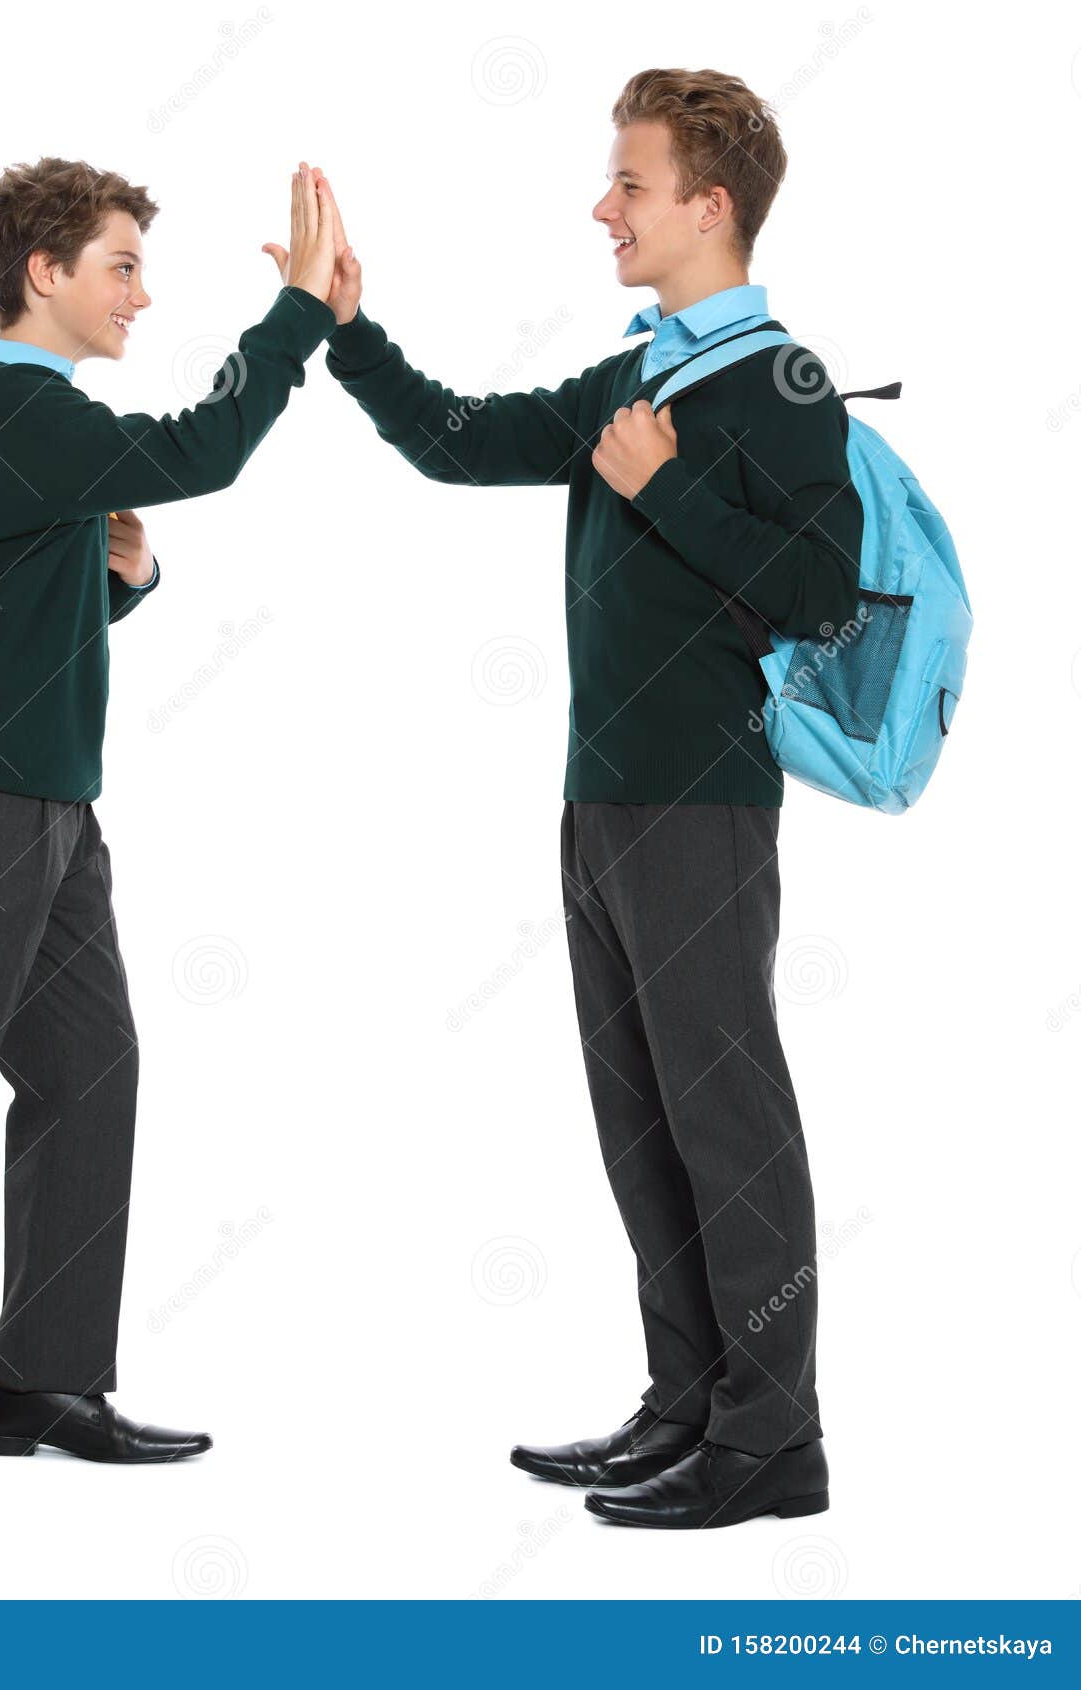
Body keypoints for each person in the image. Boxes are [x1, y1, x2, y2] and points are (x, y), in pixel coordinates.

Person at [306, 69, 861, 1528]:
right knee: (641, 1118)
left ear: (708, 204)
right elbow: (455, 437)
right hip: (600, 804)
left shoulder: (778, 383)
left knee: (724, 1112)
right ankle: (688, 1400)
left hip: (702, 804)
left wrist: (668, 490)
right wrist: (349, 331)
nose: (600, 207)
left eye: (628, 182)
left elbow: (820, 593)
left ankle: (772, 1437)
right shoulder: (631, 378)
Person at [0, 157, 342, 1491]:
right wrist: (296, 320)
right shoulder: (10, 410)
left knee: (88, 1072)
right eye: (120, 266)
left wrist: (128, 579)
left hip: (48, 805)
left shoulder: (31, 429)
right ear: (42, 272)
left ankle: (42, 1381)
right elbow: (202, 447)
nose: (141, 295)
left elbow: (7, 630)